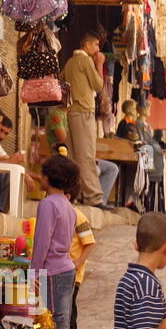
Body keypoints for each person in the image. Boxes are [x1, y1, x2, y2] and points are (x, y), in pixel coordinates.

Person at [29, 155, 79, 329]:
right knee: (58, 325)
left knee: (51, 327)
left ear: (49, 177)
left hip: (51, 272)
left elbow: (41, 242)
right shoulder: (67, 205)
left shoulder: (48, 204)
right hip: (65, 269)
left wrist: (33, 273)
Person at [60, 33, 106, 207]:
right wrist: (99, 64)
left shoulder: (70, 62)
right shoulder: (86, 61)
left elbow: (62, 78)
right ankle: (94, 197)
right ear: (86, 45)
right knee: (86, 155)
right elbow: (98, 85)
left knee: (73, 156)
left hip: (72, 111)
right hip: (84, 110)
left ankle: (75, 194)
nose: (97, 49)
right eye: (95, 45)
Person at [67, 204, 95, 329]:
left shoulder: (78, 216)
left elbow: (89, 242)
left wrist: (77, 263)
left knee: (69, 310)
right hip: (55, 271)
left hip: (72, 274)